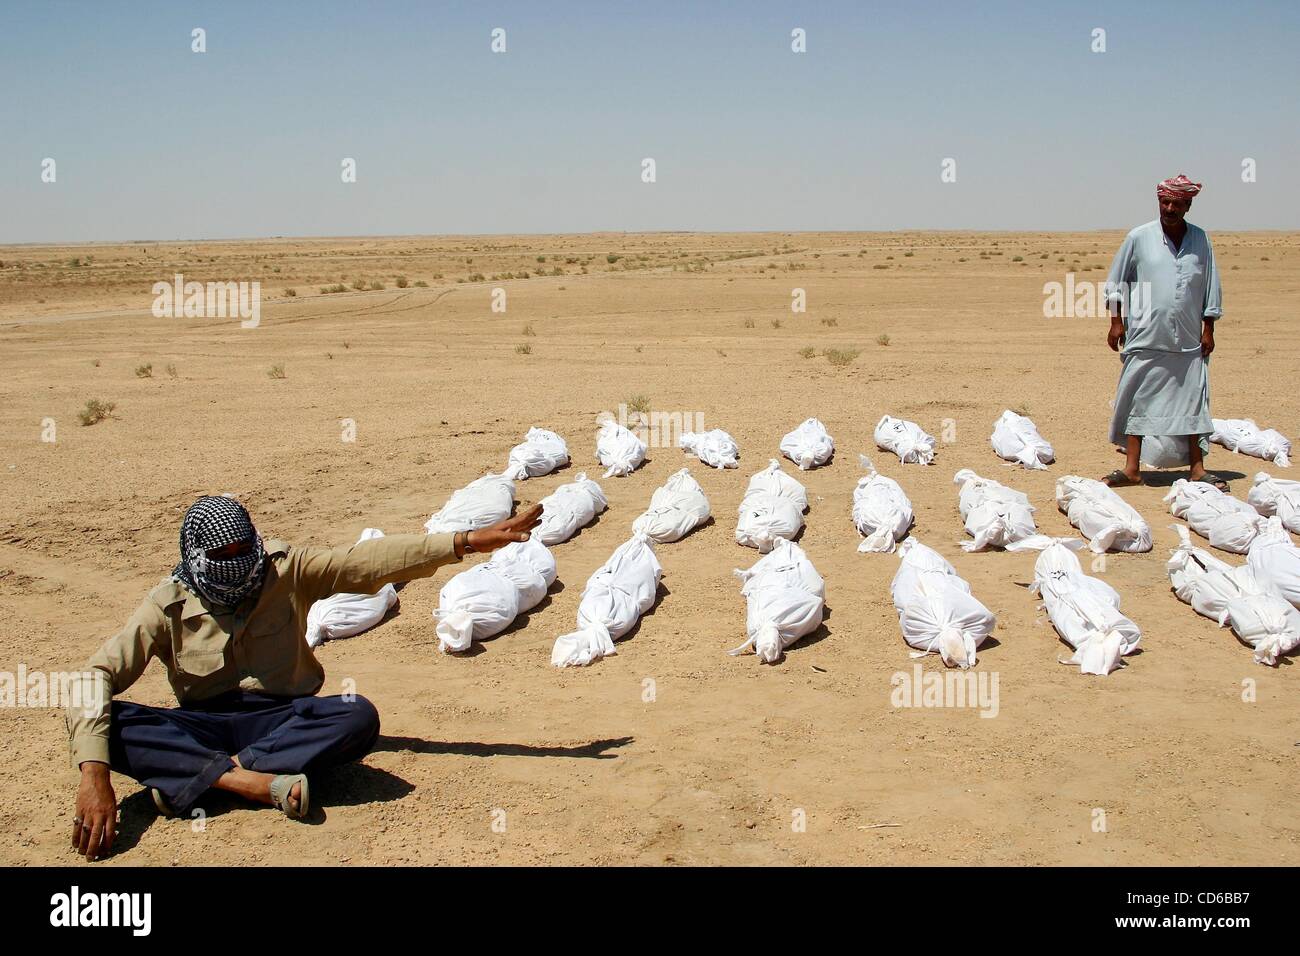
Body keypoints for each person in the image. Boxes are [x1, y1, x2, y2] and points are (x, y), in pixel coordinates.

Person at [68, 494, 542, 861]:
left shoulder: (285, 570)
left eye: (243, 549)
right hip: (206, 723)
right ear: (195, 554)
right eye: (223, 554)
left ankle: (204, 777)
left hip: (282, 718)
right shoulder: (166, 604)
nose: (237, 563)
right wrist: (94, 776)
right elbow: (94, 675)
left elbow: (364, 561)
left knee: (356, 716)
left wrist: (465, 541)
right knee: (114, 724)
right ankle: (247, 782)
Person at [1103, 173, 1225, 489]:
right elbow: (1116, 282)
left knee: (1192, 400)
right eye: (1164, 201)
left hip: (1187, 338)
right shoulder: (1138, 237)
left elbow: (1210, 285)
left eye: (1176, 203)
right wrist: (1117, 322)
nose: (1169, 208)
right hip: (1145, 333)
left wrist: (1208, 327)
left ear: (1187, 206)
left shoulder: (1202, 240)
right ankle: (1131, 469)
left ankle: (1197, 469)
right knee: (1137, 399)